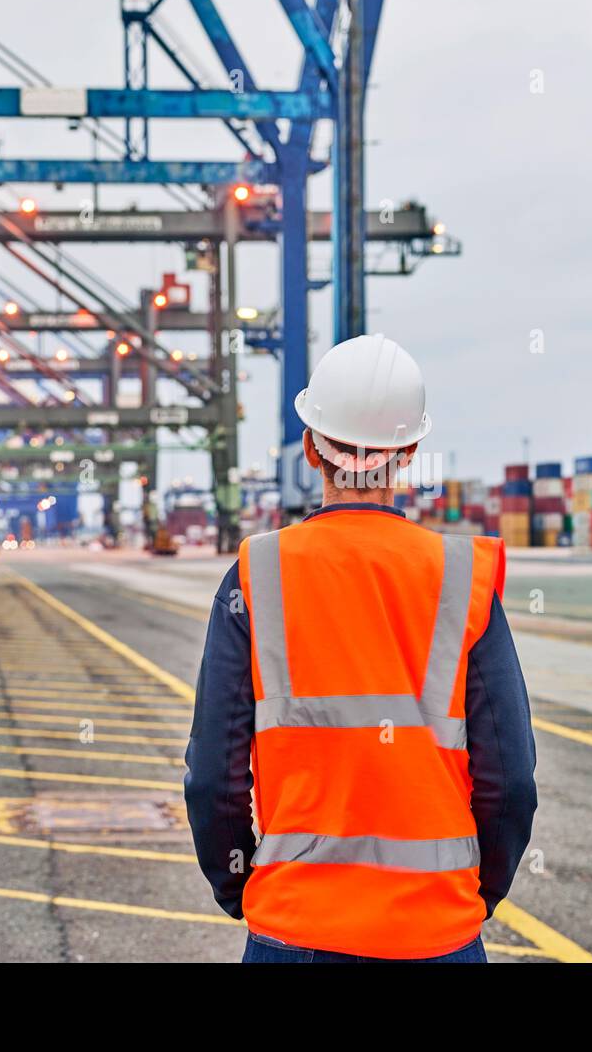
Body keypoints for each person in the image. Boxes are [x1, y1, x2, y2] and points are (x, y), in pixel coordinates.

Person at [185, 334, 537, 963]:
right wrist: (475, 894)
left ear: (308, 449)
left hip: (295, 929)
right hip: (437, 933)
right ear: (408, 453)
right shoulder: (463, 576)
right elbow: (510, 782)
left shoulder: (257, 574)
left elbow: (213, 774)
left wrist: (240, 886)